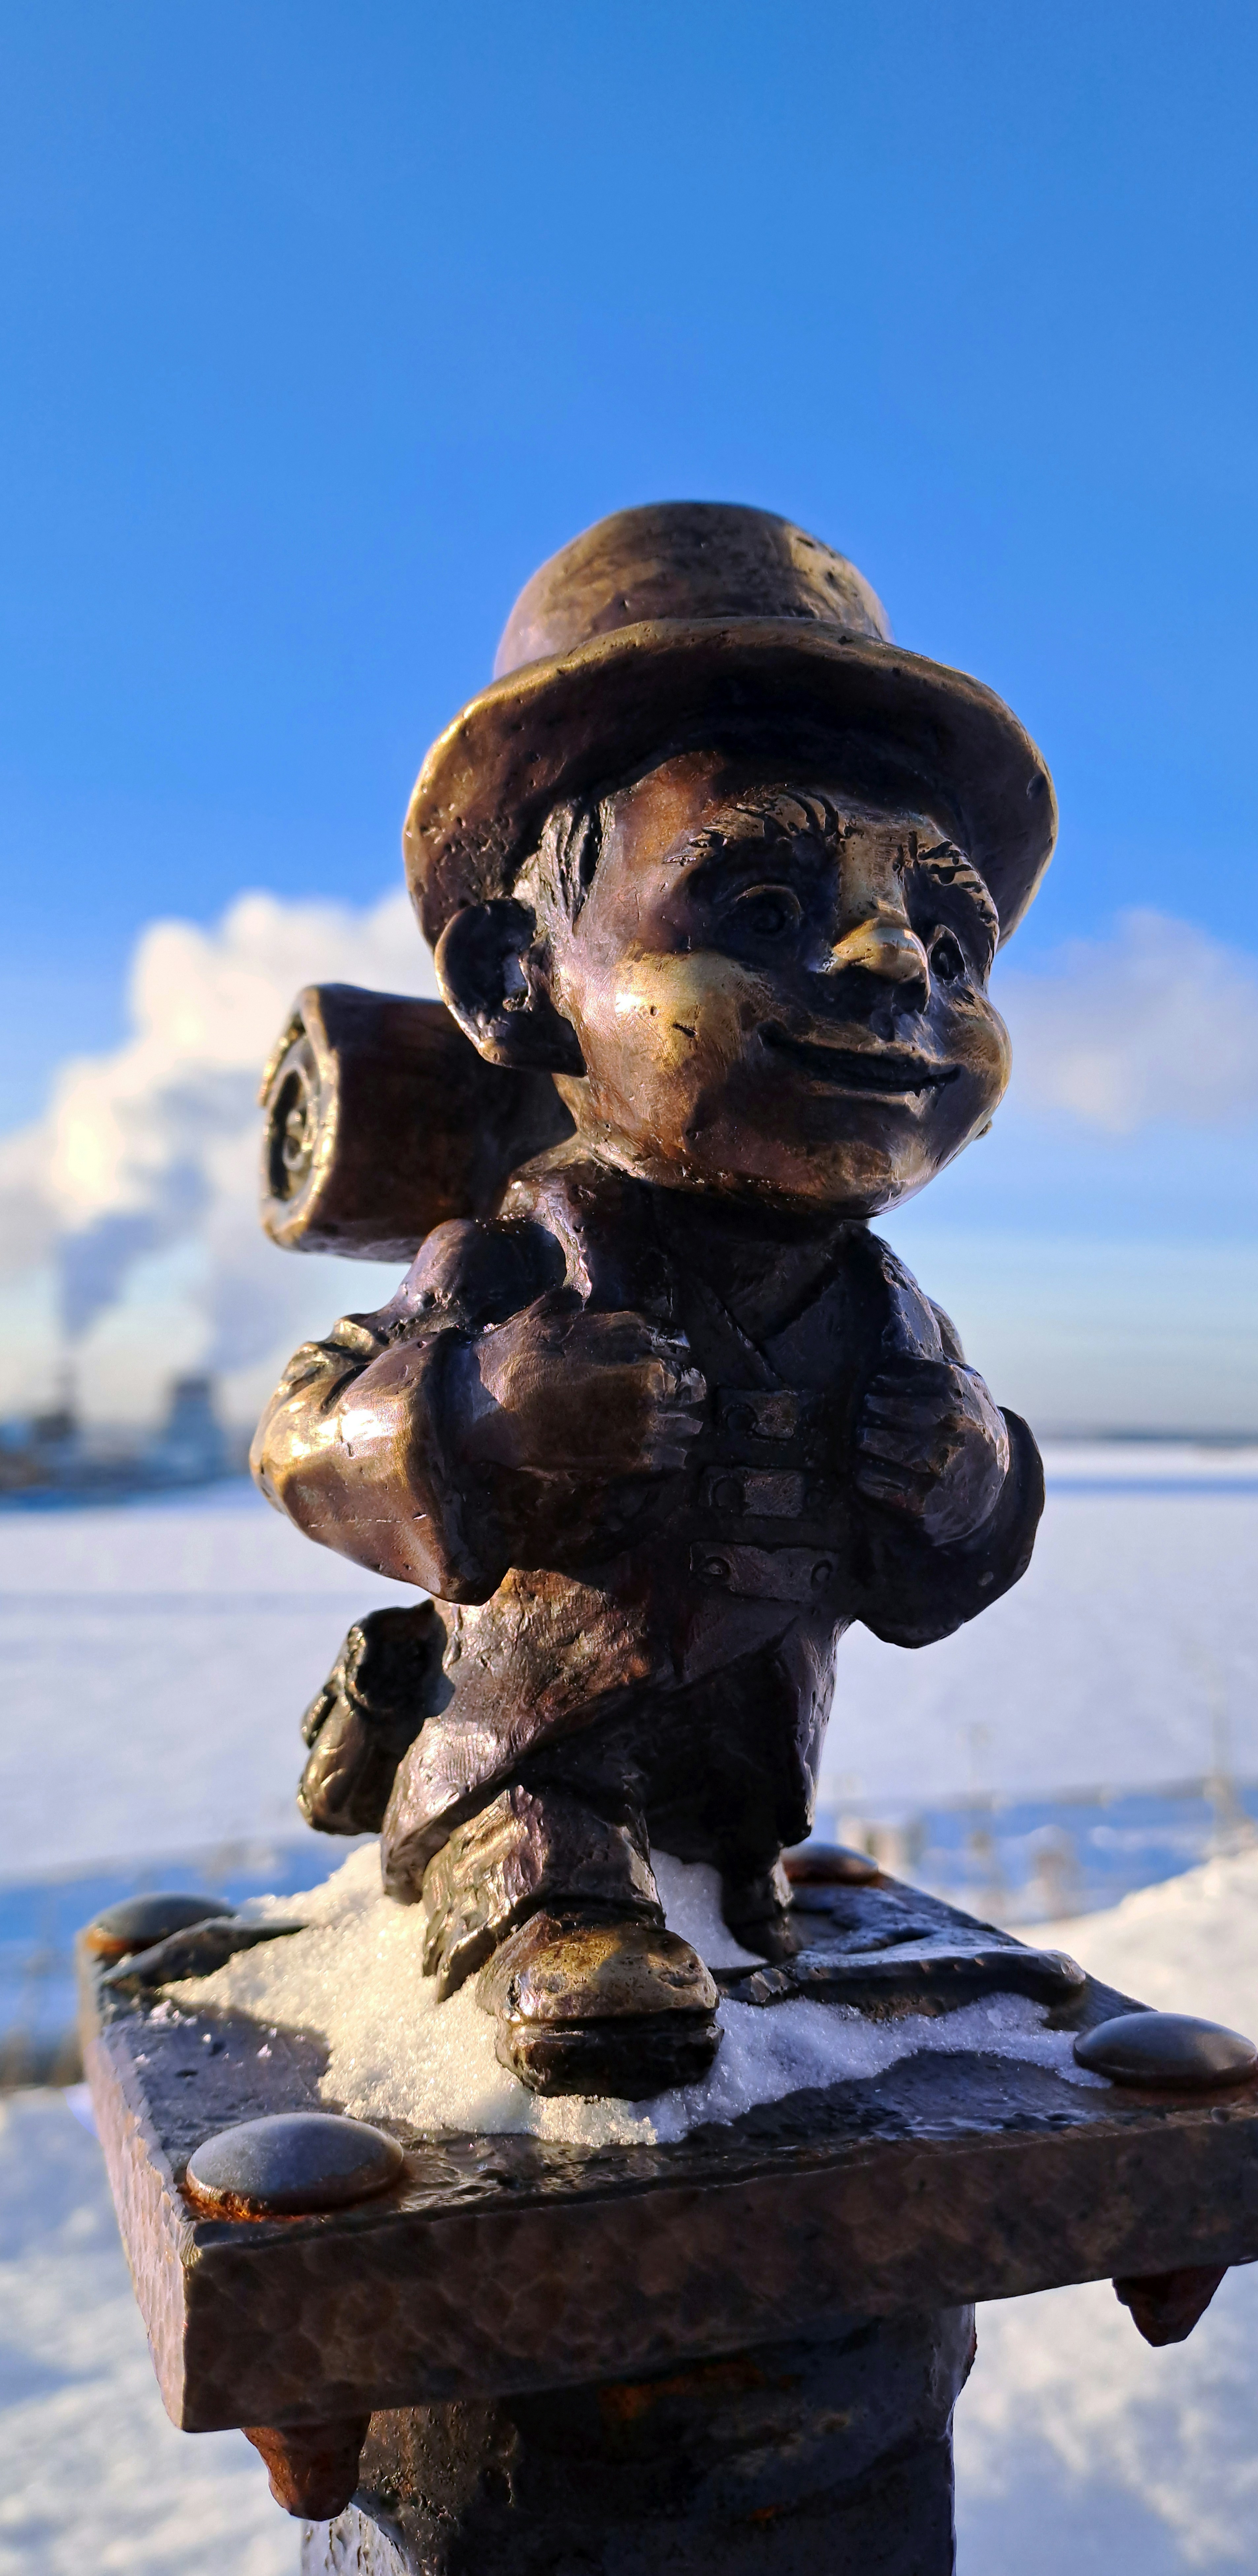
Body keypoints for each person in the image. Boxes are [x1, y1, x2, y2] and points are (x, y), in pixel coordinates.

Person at [254, 502, 1056, 2098]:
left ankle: (699, 1891)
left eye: (953, 941)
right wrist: (476, 1413)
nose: (899, 965)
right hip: (533, 1756)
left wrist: (971, 1476)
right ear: (512, 979)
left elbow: (931, 1577)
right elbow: (305, 1434)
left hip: (752, 1776)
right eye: (758, 907)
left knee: (723, 1891)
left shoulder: (885, 1311)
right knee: (553, 1842)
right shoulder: (505, 1268)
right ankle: (553, 1910)